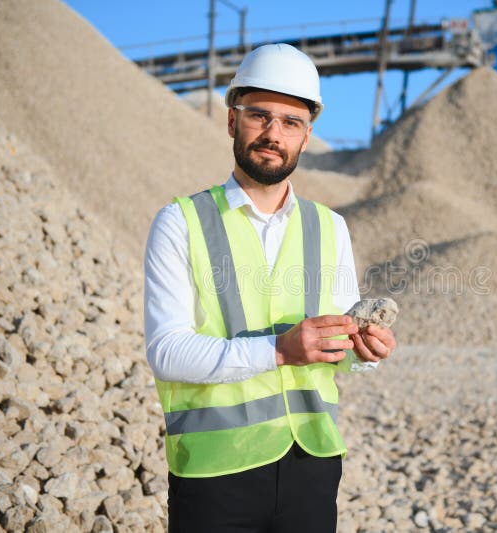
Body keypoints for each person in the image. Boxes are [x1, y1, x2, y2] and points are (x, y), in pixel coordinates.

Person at [144, 43, 397, 533]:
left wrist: (362, 352)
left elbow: (332, 351)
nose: (273, 134)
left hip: (312, 466)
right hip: (215, 473)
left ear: (306, 136)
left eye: (290, 122)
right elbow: (167, 352)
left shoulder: (330, 227)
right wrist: (279, 350)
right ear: (232, 120)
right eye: (259, 116)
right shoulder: (181, 222)